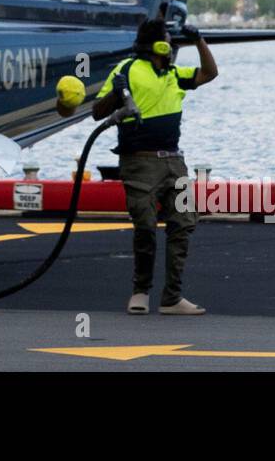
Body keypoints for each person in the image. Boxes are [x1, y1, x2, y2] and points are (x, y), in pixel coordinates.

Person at [93, 17, 217, 315]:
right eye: (169, 40)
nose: (173, 46)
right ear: (158, 45)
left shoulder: (175, 74)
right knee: (145, 226)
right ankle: (140, 291)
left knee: (183, 224)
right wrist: (116, 93)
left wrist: (199, 39)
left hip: (175, 161)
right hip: (139, 162)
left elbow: (210, 73)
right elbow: (98, 112)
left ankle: (172, 297)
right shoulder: (126, 69)